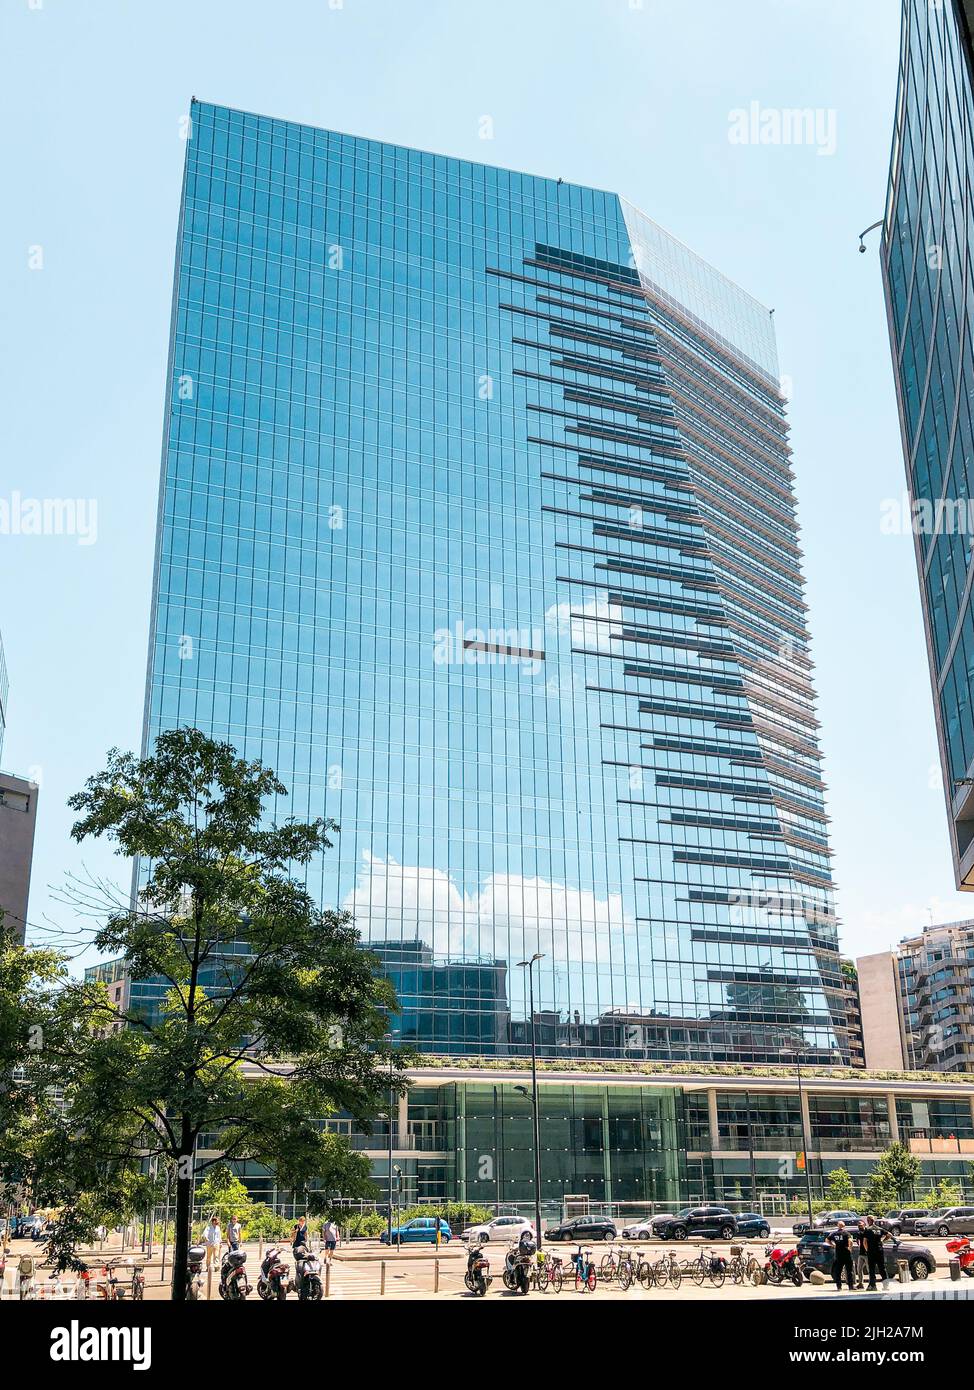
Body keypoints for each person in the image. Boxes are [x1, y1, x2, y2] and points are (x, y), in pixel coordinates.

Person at [861, 1215, 889, 1290]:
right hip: (879, 1251)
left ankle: (873, 1285)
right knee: (882, 1268)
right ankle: (886, 1285)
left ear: (868, 1221)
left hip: (871, 1252)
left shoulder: (868, 1229)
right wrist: (883, 1241)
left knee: (872, 1269)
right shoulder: (879, 1229)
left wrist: (867, 1250)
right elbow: (889, 1235)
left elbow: (864, 1242)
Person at [826, 1220, 855, 1291]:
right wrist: (850, 1248)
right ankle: (850, 1286)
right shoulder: (846, 1233)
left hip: (839, 1254)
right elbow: (850, 1241)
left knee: (838, 1271)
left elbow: (827, 1240)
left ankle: (839, 1286)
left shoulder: (834, 1233)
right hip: (846, 1253)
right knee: (849, 1270)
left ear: (838, 1226)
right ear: (844, 1226)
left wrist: (833, 1245)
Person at [854, 1219, 868, 1289]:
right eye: (859, 1226)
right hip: (861, 1253)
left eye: (861, 1225)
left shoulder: (868, 1231)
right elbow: (857, 1239)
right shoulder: (859, 1233)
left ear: (864, 1225)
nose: (860, 1227)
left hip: (867, 1254)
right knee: (859, 1269)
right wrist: (858, 1244)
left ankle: (871, 1283)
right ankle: (860, 1283)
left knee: (869, 1269)